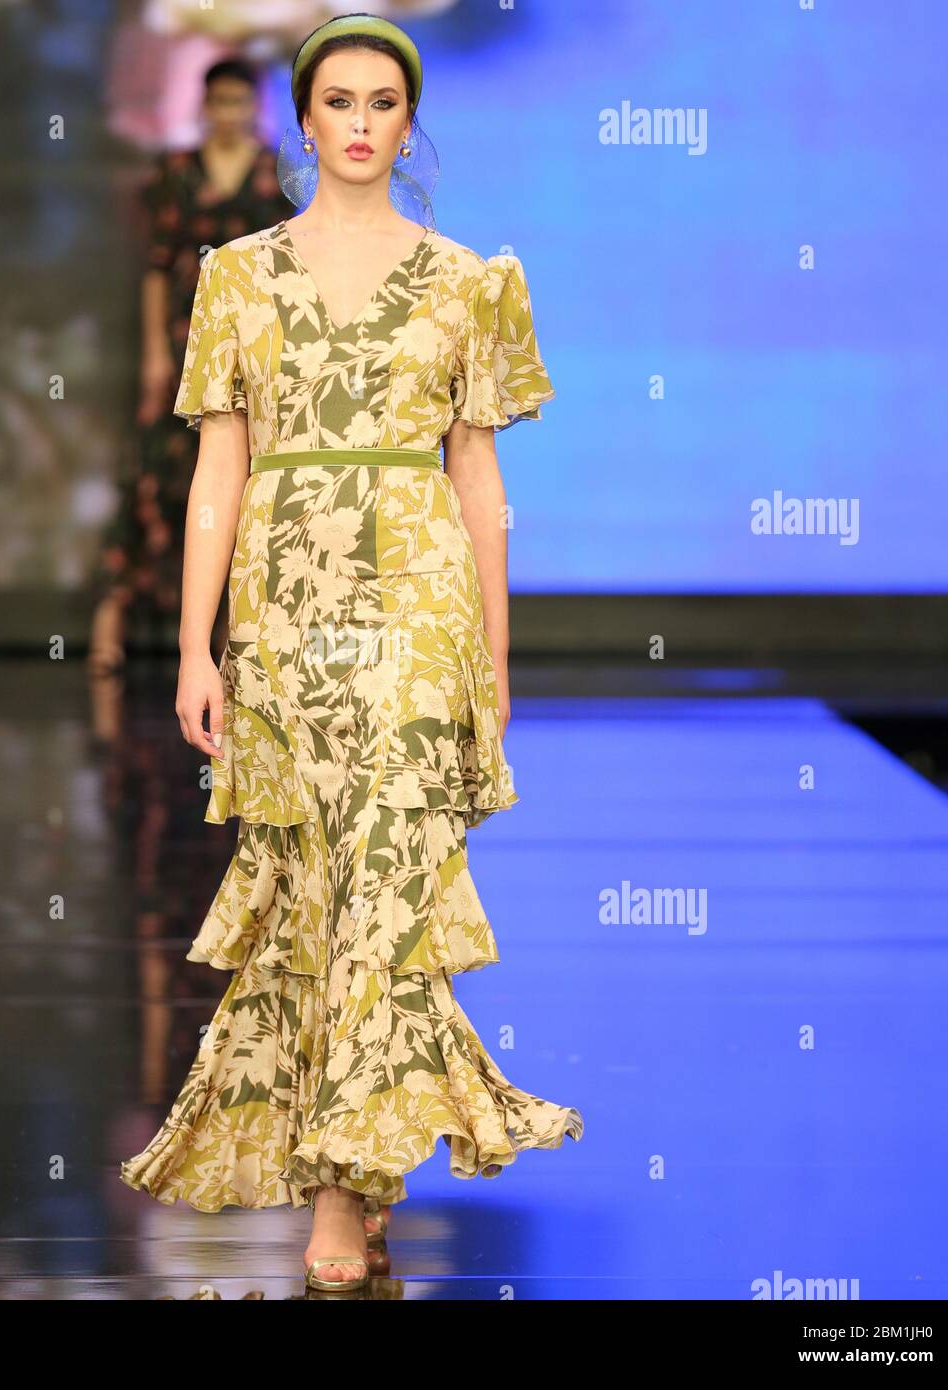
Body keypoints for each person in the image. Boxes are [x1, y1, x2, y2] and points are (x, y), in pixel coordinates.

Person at [119, 12, 583, 1294]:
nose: (364, 121)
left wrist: (494, 652)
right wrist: (194, 643)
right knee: (315, 886)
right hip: (280, 610)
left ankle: (334, 1201)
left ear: (408, 122)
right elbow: (220, 469)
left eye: (385, 100)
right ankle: (366, 1172)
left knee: (388, 869)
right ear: (304, 121)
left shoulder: (467, 280)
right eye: (340, 100)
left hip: (419, 611)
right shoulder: (237, 276)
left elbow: (480, 482)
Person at [89, 57, 294, 671]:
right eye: (218, 102)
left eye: (239, 102)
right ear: (203, 105)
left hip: (250, 348)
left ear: (254, 106)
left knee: (246, 485)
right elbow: (157, 265)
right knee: (157, 477)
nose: (228, 114)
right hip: (183, 344)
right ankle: (111, 633)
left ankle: (234, 644)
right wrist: (156, 352)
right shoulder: (175, 173)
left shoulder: (273, 176)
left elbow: (286, 273)